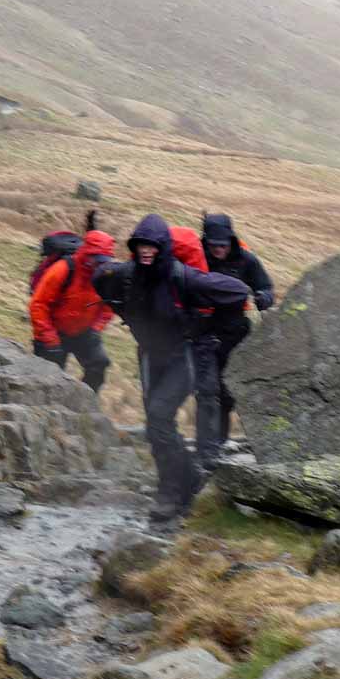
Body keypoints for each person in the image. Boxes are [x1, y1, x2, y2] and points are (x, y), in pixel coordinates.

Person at [92, 214, 249, 523]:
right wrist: (120, 307)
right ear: (134, 248)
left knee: (161, 416)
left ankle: (169, 491)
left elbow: (236, 291)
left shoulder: (183, 277)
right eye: (141, 245)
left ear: (163, 247)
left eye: (153, 246)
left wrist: (210, 319)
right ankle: (187, 479)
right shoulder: (126, 275)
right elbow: (99, 277)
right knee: (155, 426)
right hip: (150, 356)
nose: (146, 251)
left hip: (182, 356)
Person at [199, 212, 275, 462]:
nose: (218, 249)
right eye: (213, 244)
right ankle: (207, 450)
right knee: (207, 391)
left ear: (231, 240)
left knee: (228, 393)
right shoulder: (197, 257)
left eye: (222, 244)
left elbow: (265, 287)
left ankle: (217, 443)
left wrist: (264, 297)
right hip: (204, 333)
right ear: (206, 241)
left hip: (236, 335)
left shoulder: (246, 260)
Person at [30, 229, 116, 392]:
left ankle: (84, 405)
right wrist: (49, 338)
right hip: (52, 333)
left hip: (84, 333)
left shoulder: (106, 275)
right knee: (46, 383)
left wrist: (95, 329)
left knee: (99, 365)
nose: (100, 265)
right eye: (96, 260)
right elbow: (38, 305)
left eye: (103, 260)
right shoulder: (63, 269)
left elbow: (108, 306)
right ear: (86, 254)